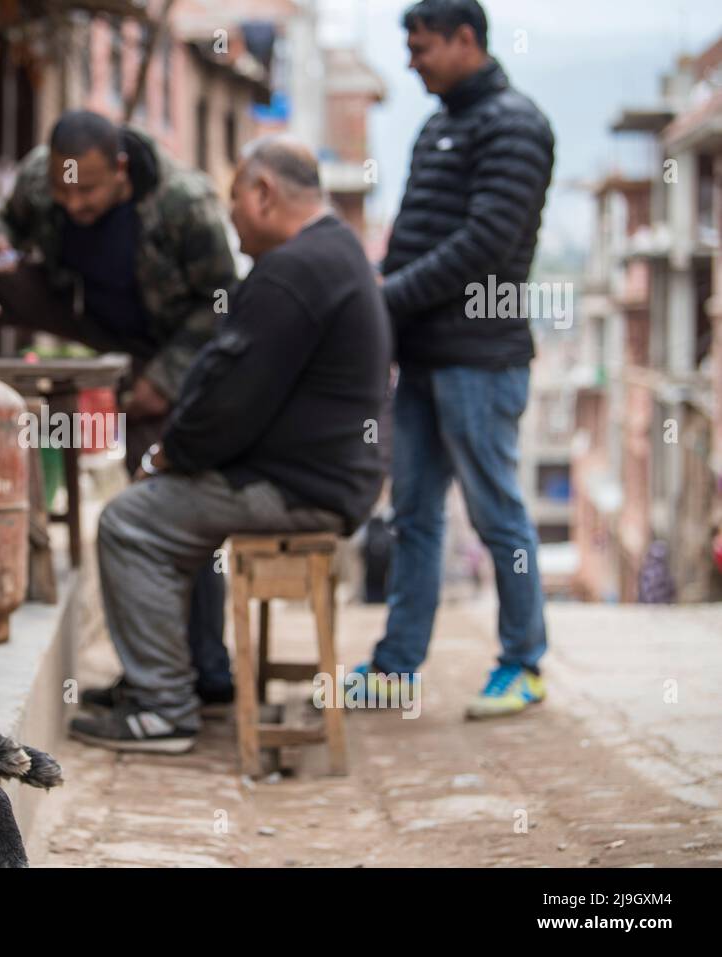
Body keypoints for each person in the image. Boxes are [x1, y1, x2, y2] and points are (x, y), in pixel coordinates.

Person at [69, 136, 391, 753]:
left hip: (301, 487)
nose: (231, 217)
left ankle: (162, 709)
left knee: (130, 521)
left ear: (265, 194)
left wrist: (167, 457)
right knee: (168, 516)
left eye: (236, 198)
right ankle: (182, 679)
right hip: (325, 479)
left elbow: (228, 401)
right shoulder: (337, 253)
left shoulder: (295, 269)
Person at [0, 110, 237, 705]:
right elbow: (4, 219)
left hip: (162, 345)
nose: (73, 202)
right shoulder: (41, 178)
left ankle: (206, 668)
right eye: (63, 189)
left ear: (123, 172)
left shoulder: (186, 203)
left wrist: (165, 378)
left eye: (88, 190)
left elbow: (223, 307)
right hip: (78, 312)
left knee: (168, 497)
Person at [351, 0, 555, 719]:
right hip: (424, 357)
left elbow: (484, 245)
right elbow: (414, 235)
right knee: (412, 517)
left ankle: (524, 662)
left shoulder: (517, 125)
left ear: (467, 39)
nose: (411, 60)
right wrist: (384, 296)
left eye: (423, 46)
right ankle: (396, 667)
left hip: (481, 358)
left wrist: (385, 295)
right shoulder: (439, 125)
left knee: (497, 510)